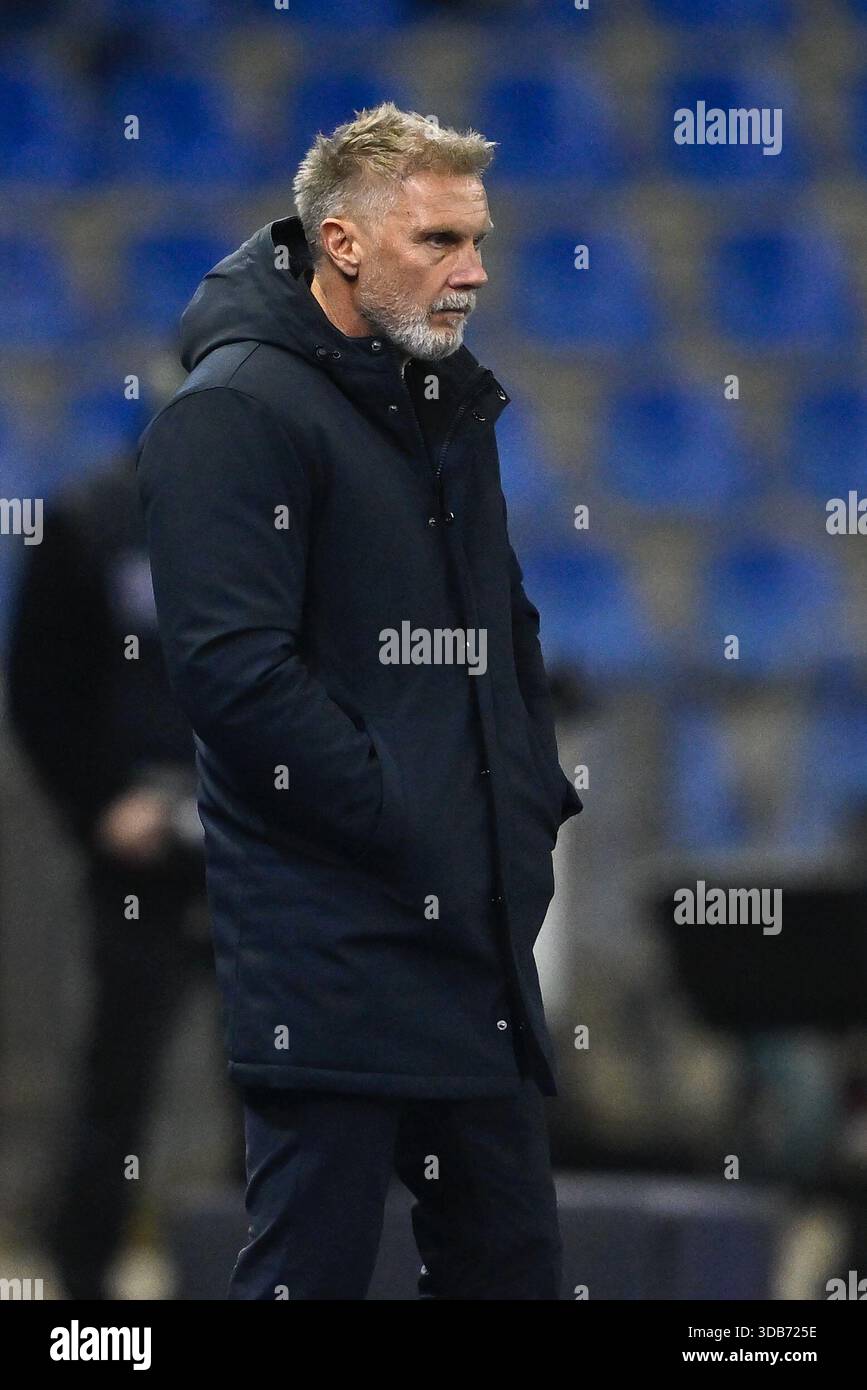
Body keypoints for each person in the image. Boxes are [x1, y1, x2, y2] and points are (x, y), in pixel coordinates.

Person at [136, 101, 583, 1300]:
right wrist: (411, 820)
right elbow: (234, 675)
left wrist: (522, 814)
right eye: (438, 241)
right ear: (340, 242)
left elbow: (507, 628)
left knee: (513, 1273)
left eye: (476, 240)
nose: (473, 272)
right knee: (312, 1275)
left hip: (472, 937)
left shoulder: (446, 402)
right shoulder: (234, 410)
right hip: (329, 943)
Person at [5, 452, 225, 1300]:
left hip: (258, 850)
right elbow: (41, 685)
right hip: (138, 853)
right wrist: (102, 803)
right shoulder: (93, 522)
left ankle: (269, 1276)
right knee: (118, 1077)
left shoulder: (290, 518)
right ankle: (84, 1290)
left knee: (280, 1083)